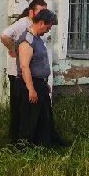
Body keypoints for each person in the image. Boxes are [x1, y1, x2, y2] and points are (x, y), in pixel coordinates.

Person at [16, 9, 69, 148]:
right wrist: (31, 89)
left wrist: (45, 83)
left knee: (45, 116)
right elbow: (24, 66)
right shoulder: (27, 40)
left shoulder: (38, 39)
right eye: (47, 27)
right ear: (40, 23)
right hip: (30, 84)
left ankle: (46, 143)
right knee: (30, 117)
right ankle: (24, 146)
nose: (47, 31)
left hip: (40, 84)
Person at [0, 0, 48, 143]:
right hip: (18, 74)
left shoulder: (37, 25)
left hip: (29, 74)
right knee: (19, 108)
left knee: (28, 109)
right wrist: (12, 50)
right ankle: (17, 138)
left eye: (45, 11)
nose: (43, 14)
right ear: (31, 12)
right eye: (41, 11)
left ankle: (28, 138)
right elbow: (4, 35)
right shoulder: (23, 23)